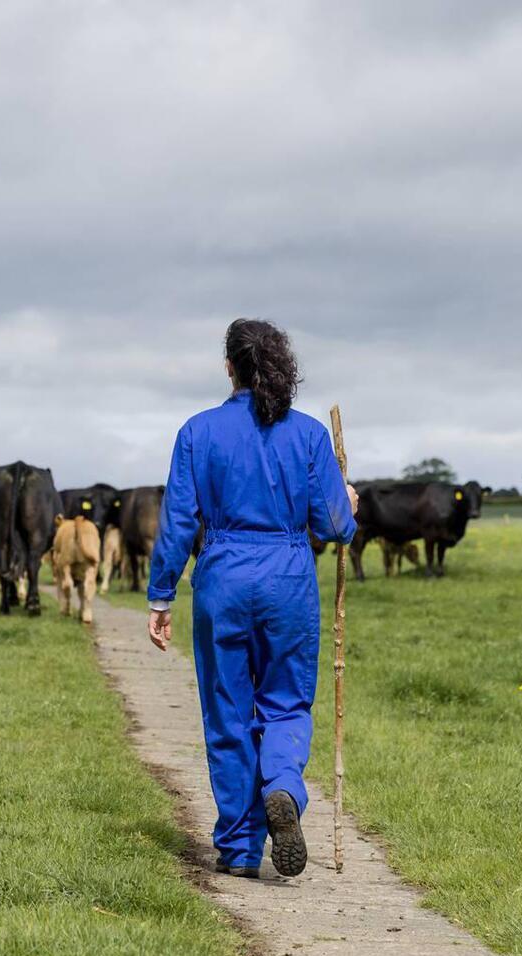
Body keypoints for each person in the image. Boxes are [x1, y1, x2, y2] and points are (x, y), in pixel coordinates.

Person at [147, 319, 358, 879]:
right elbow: (335, 526)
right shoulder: (309, 434)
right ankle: (285, 785)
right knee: (286, 702)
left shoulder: (197, 431)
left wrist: (160, 596)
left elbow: (177, 522)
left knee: (228, 714)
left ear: (229, 369)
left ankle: (240, 850)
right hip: (288, 578)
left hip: (221, 578)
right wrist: (348, 500)